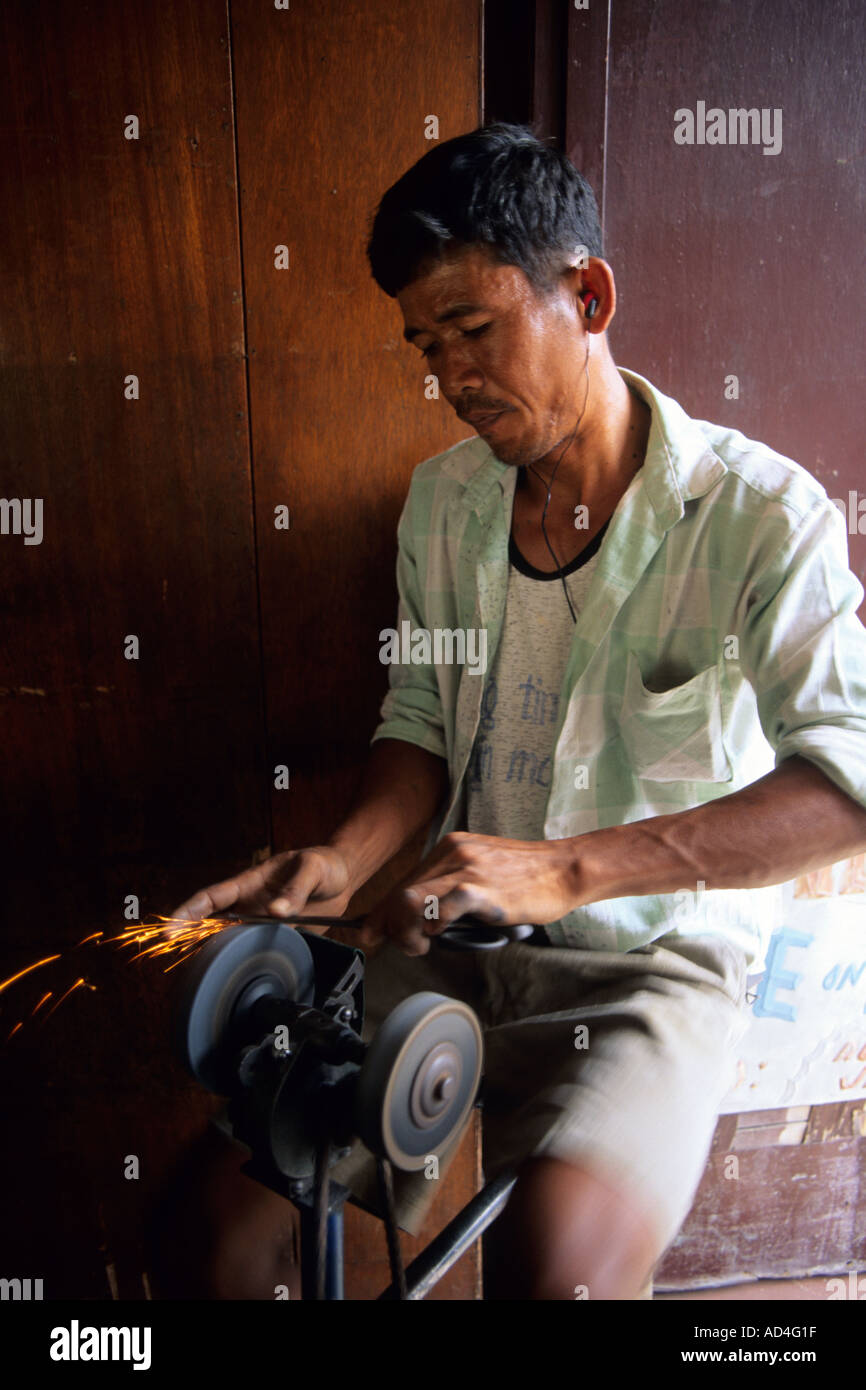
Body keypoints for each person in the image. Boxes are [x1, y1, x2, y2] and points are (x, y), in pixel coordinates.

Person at [175, 124, 866, 1300]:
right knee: (213, 1233)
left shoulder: (758, 515)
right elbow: (419, 725)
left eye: (475, 331)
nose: (449, 379)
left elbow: (847, 785)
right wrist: (343, 863)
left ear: (587, 294)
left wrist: (564, 872)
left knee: (562, 1276)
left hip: (647, 966)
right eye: (426, 345)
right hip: (441, 946)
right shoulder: (445, 504)